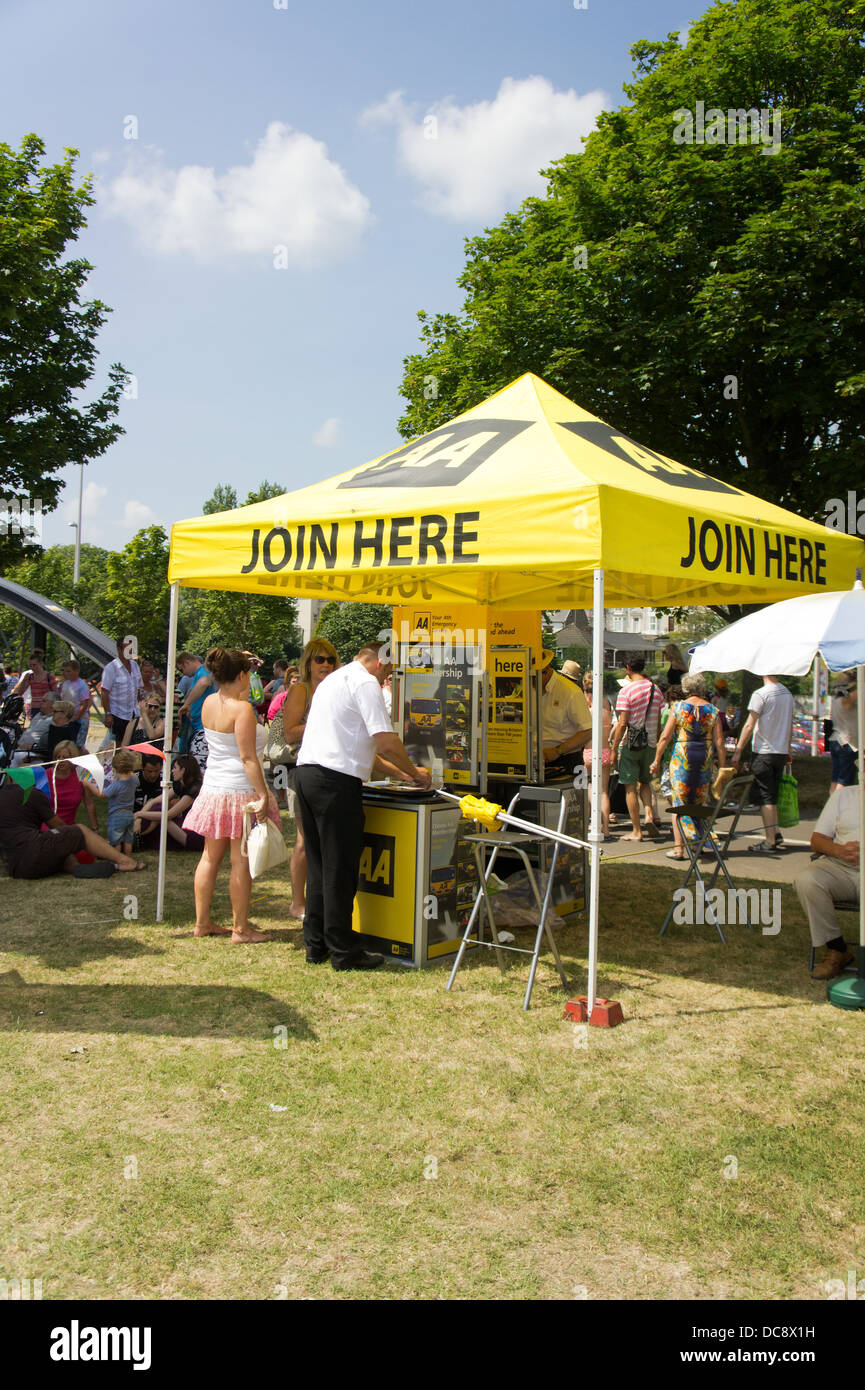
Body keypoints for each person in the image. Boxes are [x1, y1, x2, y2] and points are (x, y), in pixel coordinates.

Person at [295, 641, 431, 970]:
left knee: (319, 866)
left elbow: (364, 749)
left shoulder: (334, 680)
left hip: (307, 775)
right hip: (334, 784)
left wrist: (404, 775)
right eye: (389, 669)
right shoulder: (365, 683)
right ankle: (344, 951)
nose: (388, 676)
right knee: (340, 869)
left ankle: (316, 945)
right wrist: (416, 772)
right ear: (379, 661)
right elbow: (385, 740)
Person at [182, 647, 282, 943]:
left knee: (209, 858)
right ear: (240, 675)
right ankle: (240, 928)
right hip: (239, 792)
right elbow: (248, 759)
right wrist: (263, 794)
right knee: (240, 861)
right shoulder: (242, 711)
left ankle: (202, 923)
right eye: (248, 672)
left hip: (213, 789)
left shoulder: (209, 702)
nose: (250, 678)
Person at [275, 638, 340, 921]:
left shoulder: (335, 690)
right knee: (304, 840)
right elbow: (289, 732)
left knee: (324, 840)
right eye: (320, 659)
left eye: (331, 660)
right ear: (308, 663)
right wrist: (324, 722)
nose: (326, 664)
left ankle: (319, 899)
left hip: (330, 771)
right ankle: (297, 903)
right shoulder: (301, 690)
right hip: (300, 770)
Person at [0, 774, 144, 878]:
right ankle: (124, 861)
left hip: (16, 867)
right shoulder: (32, 794)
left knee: (56, 846)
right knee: (78, 831)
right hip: (34, 851)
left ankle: (77, 869)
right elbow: (59, 825)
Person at [650, 673, 726, 860]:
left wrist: (657, 760)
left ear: (685, 689)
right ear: (701, 688)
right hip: (704, 761)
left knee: (679, 803)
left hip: (682, 759)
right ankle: (697, 842)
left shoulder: (678, 708)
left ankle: (679, 849)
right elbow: (720, 742)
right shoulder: (712, 710)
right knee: (699, 802)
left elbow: (665, 737)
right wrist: (723, 767)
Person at [795, 784, 860, 979]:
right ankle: (837, 948)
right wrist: (839, 851)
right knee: (807, 880)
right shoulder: (844, 795)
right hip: (842, 867)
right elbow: (817, 841)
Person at [731, 675, 794, 853]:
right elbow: (789, 724)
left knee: (765, 796)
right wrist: (788, 749)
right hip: (780, 751)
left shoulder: (761, 694)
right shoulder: (787, 694)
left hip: (764, 751)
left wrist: (738, 750)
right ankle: (775, 832)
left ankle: (769, 840)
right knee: (772, 794)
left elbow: (749, 725)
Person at [610, 656, 665, 841]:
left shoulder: (626, 691)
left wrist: (614, 747)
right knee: (646, 782)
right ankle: (649, 813)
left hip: (631, 744)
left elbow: (623, 723)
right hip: (649, 743)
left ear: (627, 668)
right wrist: (655, 741)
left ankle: (636, 830)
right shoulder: (655, 690)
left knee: (630, 787)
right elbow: (657, 720)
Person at [135, 754, 204, 852]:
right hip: (184, 827)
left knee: (160, 812)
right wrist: (139, 819)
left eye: (175, 768)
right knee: (158, 806)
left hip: (194, 837)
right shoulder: (181, 784)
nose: (172, 771)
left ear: (183, 770)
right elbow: (154, 801)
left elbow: (168, 815)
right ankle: (137, 835)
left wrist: (139, 814)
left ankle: (138, 835)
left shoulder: (195, 789)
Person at [540, 649, 592, 774]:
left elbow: (588, 731)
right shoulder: (529, 689)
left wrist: (557, 751)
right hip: (536, 761)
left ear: (545, 670)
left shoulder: (571, 692)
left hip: (566, 761)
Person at [90, 748, 141, 856]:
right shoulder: (134, 780)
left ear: (115, 770)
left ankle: (116, 859)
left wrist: (87, 784)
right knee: (128, 840)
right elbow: (133, 775)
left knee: (115, 841)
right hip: (129, 815)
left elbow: (101, 794)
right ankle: (128, 858)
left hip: (116, 816)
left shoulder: (116, 785)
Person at [581, 672, 612, 837]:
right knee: (604, 791)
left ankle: (592, 822)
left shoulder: (589, 709)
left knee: (589, 788)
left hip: (589, 751)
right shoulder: (607, 703)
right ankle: (606, 828)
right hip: (605, 750)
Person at [44, 739, 99, 831]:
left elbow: (89, 804)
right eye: (58, 757)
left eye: (65, 758)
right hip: (46, 827)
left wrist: (95, 828)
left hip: (69, 827)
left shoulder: (81, 776)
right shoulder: (46, 776)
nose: (61, 760)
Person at [100, 639, 143, 746]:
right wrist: (108, 714)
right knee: (119, 745)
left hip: (134, 713)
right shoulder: (111, 668)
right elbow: (104, 692)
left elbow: (138, 688)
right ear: (119, 650)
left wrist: (141, 708)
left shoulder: (135, 666)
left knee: (134, 744)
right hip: (118, 714)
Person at [177, 652, 215, 769]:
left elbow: (204, 682)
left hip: (203, 729)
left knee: (198, 769)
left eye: (182, 669)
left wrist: (187, 704)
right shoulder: (200, 673)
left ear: (187, 662)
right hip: (200, 727)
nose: (184, 674)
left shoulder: (202, 672)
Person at [828, 671, 859, 794]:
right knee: (844, 781)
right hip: (847, 742)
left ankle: (831, 807)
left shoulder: (836, 700)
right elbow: (857, 693)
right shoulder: (847, 701)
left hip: (835, 740)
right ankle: (838, 809)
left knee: (835, 778)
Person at [12, 691, 56, 760]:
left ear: (53, 704)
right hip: (19, 749)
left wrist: (34, 747)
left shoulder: (53, 720)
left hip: (32, 753)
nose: (41, 703)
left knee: (11, 759)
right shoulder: (38, 715)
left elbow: (49, 745)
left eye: (44, 701)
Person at [59, 659, 92, 747]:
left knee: (77, 745)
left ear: (76, 671)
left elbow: (85, 703)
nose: (66, 673)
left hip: (79, 719)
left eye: (69, 671)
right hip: (67, 718)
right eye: (65, 671)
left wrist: (76, 717)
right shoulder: (65, 684)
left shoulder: (82, 685)